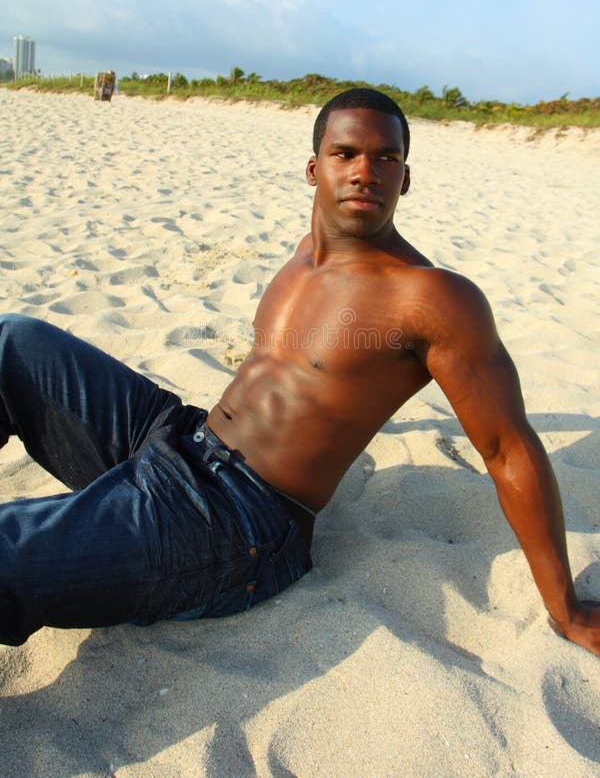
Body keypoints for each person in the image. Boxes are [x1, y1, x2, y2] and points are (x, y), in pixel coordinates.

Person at [0, 88, 598, 655]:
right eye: (345, 153)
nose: (366, 171)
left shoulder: (433, 299)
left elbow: (506, 447)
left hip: (236, 522)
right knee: (13, 340)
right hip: (179, 436)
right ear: (315, 169)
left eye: (386, 158)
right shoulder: (302, 254)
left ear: (405, 178)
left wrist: (565, 609)